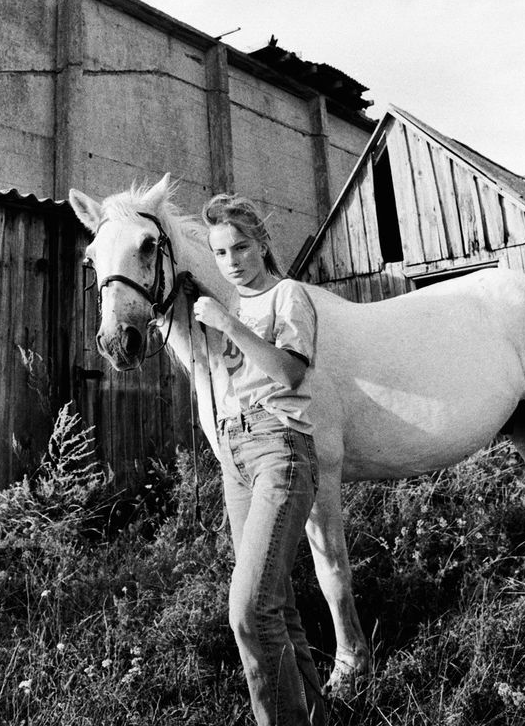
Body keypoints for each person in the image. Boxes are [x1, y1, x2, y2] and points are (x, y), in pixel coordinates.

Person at [192, 193, 325, 726]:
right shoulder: (228, 305)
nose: (232, 262)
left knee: (248, 610)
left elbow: (290, 373)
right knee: (278, 605)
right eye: (221, 253)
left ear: (263, 243)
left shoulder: (285, 295)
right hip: (235, 452)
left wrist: (228, 324)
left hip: (279, 447)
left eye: (242, 247)